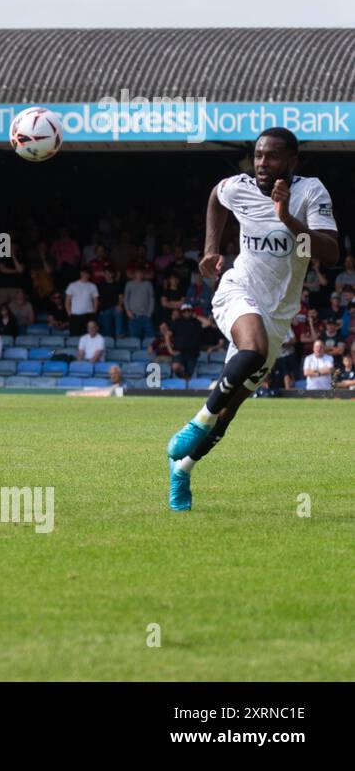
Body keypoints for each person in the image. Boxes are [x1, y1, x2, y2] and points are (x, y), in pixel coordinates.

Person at [167, 128, 339, 510]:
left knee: (227, 416)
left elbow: (329, 253)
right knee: (254, 348)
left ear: (292, 162)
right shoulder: (239, 186)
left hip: (279, 314)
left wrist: (288, 218)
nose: (262, 163)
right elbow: (216, 196)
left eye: (273, 156)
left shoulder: (311, 192)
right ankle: (195, 423)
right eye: (259, 155)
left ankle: (181, 470)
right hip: (238, 289)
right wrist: (211, 249)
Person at [123, 267, 156, 344]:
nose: (140, 275)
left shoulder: (148, 284)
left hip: (145, 316)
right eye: (138, 273)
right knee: (134, 340)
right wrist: (128, 311)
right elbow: (125, 299)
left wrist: (149, 313)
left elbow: (152, 299)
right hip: (133, 316)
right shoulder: (129, 284)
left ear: (144, 274)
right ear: (134, 274)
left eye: (141, 273)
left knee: (152, 338)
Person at [64, 268, 99, 336]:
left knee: (89, 336)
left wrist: (94, 311)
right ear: (81, 273)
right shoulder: (72, 285)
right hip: (75, 315)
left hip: (89, 315)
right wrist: (68, 311)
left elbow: (95, 300)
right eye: (84, 273)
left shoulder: (93, 286)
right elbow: (67, 300)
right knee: (74, 336)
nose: (86, 275)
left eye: (87, 273)